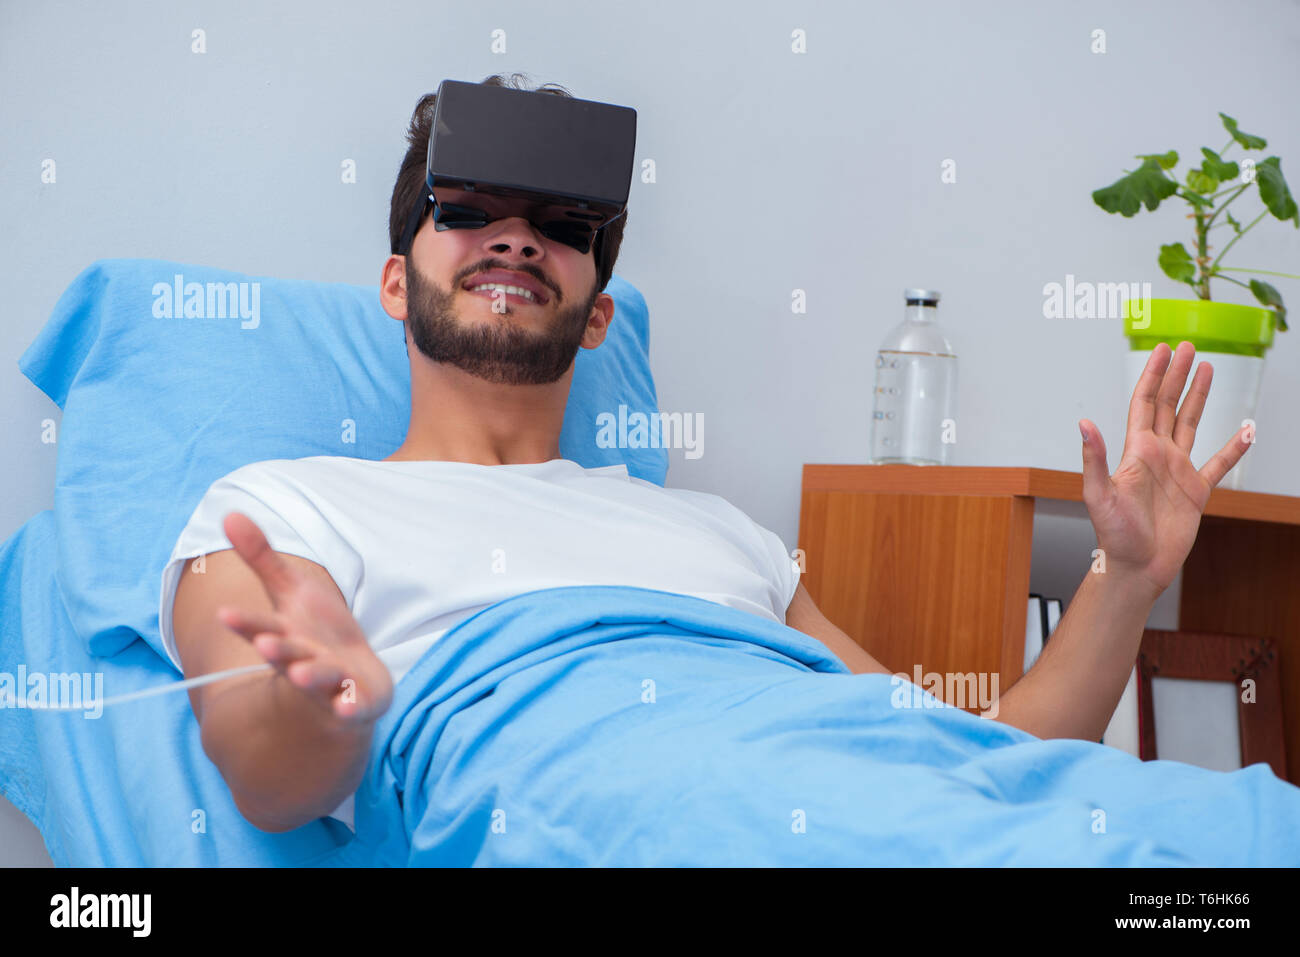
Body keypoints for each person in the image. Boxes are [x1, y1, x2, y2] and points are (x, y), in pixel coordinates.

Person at [163, 75, 1252, 835]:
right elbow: (270, 782)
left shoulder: (716, 533)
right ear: (397, 282)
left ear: (597, 315)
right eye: (465, 210)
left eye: (561, 226)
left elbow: (988, 757)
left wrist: (1128, 578)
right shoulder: (282, 510)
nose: (513, 238)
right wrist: (320, 705)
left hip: (893, 808)